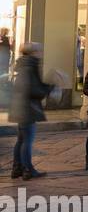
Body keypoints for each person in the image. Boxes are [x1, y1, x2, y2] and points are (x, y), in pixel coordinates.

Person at [9, 42, 51, 180]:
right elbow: (33, 90)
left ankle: (17, 168)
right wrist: (50, 88)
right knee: (27, 140)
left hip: (21, 108)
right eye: (39, 50)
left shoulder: (25, 65)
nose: (42, 53)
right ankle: (28, 169)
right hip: (27, 109)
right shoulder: (29, 67)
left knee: (21, 140)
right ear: (33, 52)